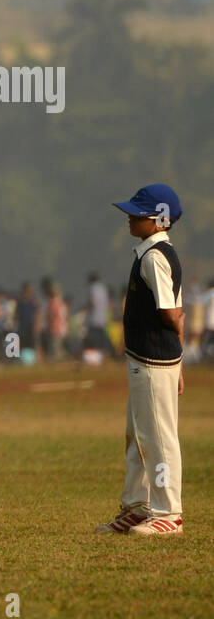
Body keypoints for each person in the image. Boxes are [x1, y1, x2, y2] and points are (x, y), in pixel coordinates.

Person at [96, 184, 186, 536]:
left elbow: (172, 312)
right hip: (142, 360)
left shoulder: (155, 257)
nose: (130, 218)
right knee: (137, 436)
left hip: (154, 361)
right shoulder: (146, 253)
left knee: (158, 437)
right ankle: (137, 506)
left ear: (159, 220)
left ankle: (169, 513)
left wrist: (176, 365)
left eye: (138, 213)